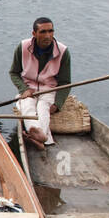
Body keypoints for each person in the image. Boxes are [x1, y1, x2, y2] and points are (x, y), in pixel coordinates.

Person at [8, 17, 72, 151]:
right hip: (28, 88)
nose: (47, 36)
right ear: (34, 34)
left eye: (51, 31)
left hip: (49, 89)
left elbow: (65, 82)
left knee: (43, 108)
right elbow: (14, 73)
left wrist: (57, 104)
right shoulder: (23, 47)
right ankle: (42, 137)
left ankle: (38, 136)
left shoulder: (63, 51)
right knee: (27, 105)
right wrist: (23, 89)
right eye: (43, 32)